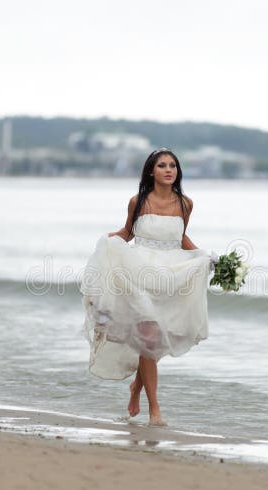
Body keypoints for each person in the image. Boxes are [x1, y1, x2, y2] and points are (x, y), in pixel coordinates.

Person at [80, 148, 212, 426]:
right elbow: (128, 232)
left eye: (173, 166)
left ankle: (135, 389)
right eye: (162, 165)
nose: (168, 170)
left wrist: (204, 255)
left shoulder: (185, 203)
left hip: (170, 276)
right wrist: (110, 241)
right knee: (149, 339)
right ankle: (155, 410)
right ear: (151, 171)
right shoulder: (137, 201)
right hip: (138, 273)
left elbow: (181, 237)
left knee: (153, 341)